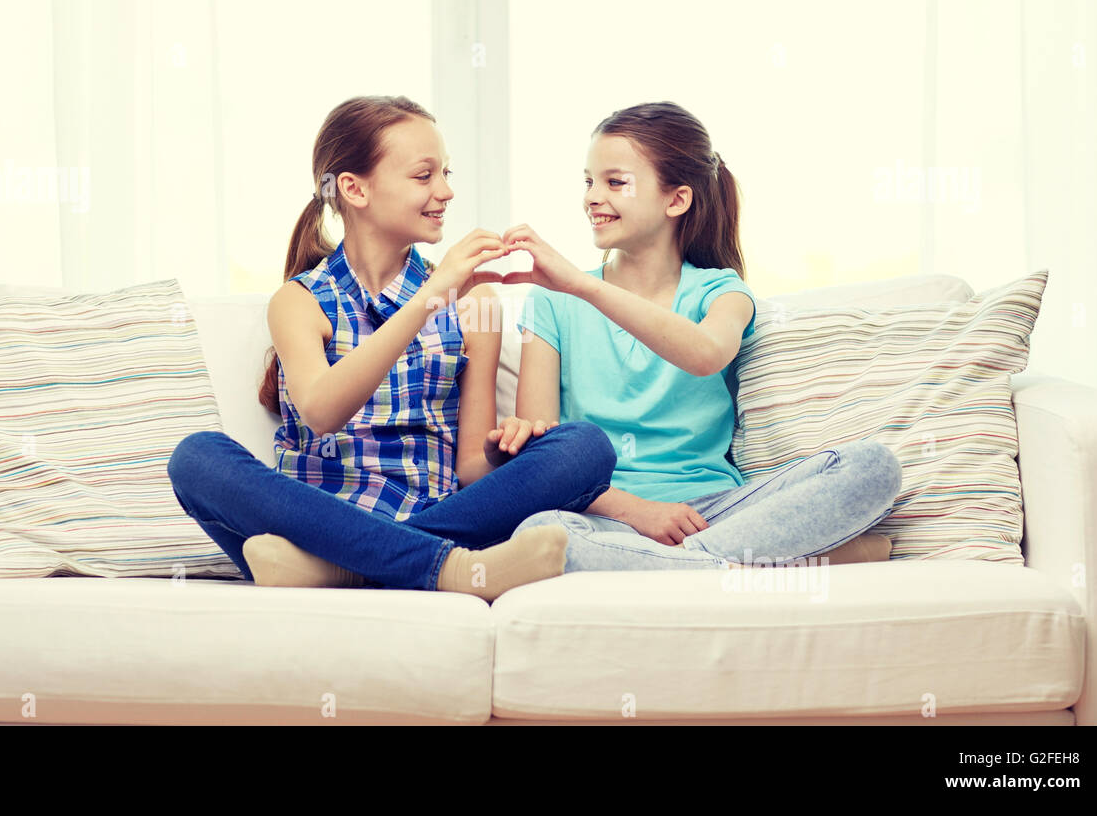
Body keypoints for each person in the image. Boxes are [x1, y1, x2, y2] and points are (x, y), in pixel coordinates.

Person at [166, 95, 616, 601]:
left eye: (446, 173)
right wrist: (429, 298)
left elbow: (471, 467)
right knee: (196, 458)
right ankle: (449, 568)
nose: (445, 191)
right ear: (355, 189)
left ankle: (343, 569)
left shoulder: (476, 305)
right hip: (314, 517)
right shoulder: (299, 301)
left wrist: (503, 449)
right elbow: (320, 412)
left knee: (585, 449)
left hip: (431, 514)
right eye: (424, 176)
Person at [506, 101, 901, 571]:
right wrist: (639, 512)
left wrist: (582, 284)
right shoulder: (551, 303)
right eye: (588, 181)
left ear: (676, 200)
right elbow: (543, 459)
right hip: (604, 513)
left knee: (872, 467)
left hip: (716, 511)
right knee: (540, 534)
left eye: (615, 182)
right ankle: (735, 566)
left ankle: (678, 565)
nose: (592, 196)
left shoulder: (722, 291)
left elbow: (706, 353)